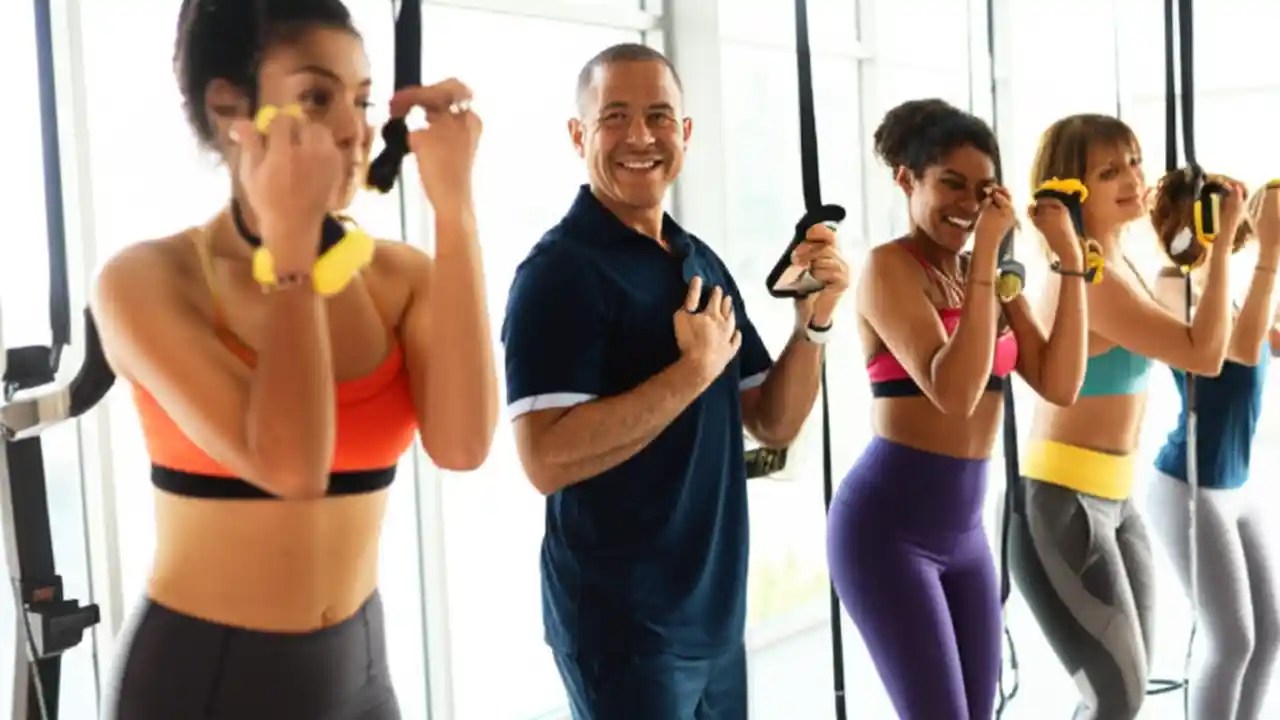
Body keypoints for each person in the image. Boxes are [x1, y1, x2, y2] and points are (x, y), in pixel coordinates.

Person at [90, 1, 498, 717]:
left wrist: (454, 210)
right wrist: (293, 254)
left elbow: (463, 446)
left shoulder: (398, 278)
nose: (354, 130)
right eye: (316, 97)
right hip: (207, 681)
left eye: (362, 101)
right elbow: (289, 467)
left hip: (359, 670)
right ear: (229, 109)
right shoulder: (146, 282)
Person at [500, 43, 849, 720]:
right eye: (615, 117)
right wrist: (691, 373)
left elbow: (772, 420)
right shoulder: (557, 274)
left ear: (685, 133)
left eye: (659, 116)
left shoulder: (699, 261)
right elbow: (545, 458)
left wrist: (814, 322)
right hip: (622, 634)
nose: (640, 136)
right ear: (577, 134)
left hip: (715, 620)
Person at [827, 98, 1090, 720]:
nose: (968, 204)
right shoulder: (889, 268)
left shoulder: (982, 272)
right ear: (906, 179)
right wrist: (987, 269)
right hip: (887, 531)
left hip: (965, 533)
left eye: (982, 189)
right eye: (951, 183)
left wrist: (1071, 261)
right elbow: (953, 391)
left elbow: (1059, 382)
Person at [1007, 113, 1246, 719]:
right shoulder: (1090, 279)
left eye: (1135, 162)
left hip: (1115, 500)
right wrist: (1221, 245)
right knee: (1115, 697)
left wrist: (1216, 248)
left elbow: (1216, 338)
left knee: (1119, 698)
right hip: (1061, 502)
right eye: (1109, 171)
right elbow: (1203, 355)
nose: (1134, 178)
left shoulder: (1120, 266)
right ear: (1069, 189)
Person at [1145, 180, 1280, 719]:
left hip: (1235, 487)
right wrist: (1269, 253)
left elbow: (1264, 339)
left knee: (1269, 632)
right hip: (1189, 487)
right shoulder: (1171, 286)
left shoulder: (1225, 289)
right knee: (1232, 641)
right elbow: (1241, 350)